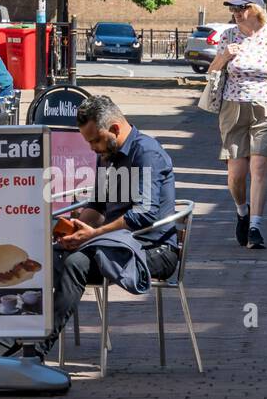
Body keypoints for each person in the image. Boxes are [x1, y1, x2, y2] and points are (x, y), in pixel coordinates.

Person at [21, 95, 181, 361]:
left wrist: (94, 234)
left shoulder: (147, 153)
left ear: (115, 128)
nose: (93, 148)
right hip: (117, 243)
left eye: (95, 140)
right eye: (88, 142)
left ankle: (36, 349)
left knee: (75, 264)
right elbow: (98, 206)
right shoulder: (108, 154)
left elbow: (144, 213)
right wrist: (76, 229)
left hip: (154, 249)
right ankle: (13, 338)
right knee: (50, 256)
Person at [209, 0, 267, 250]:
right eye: (233, 9)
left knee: (258, 168)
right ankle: (242, 211)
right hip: (233, 108)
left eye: (241, 8)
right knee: (236, 175)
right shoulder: (228, 35)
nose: (236, 13)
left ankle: (255, 227)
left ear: (256, 10)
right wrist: (225, 56)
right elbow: (212, 71)